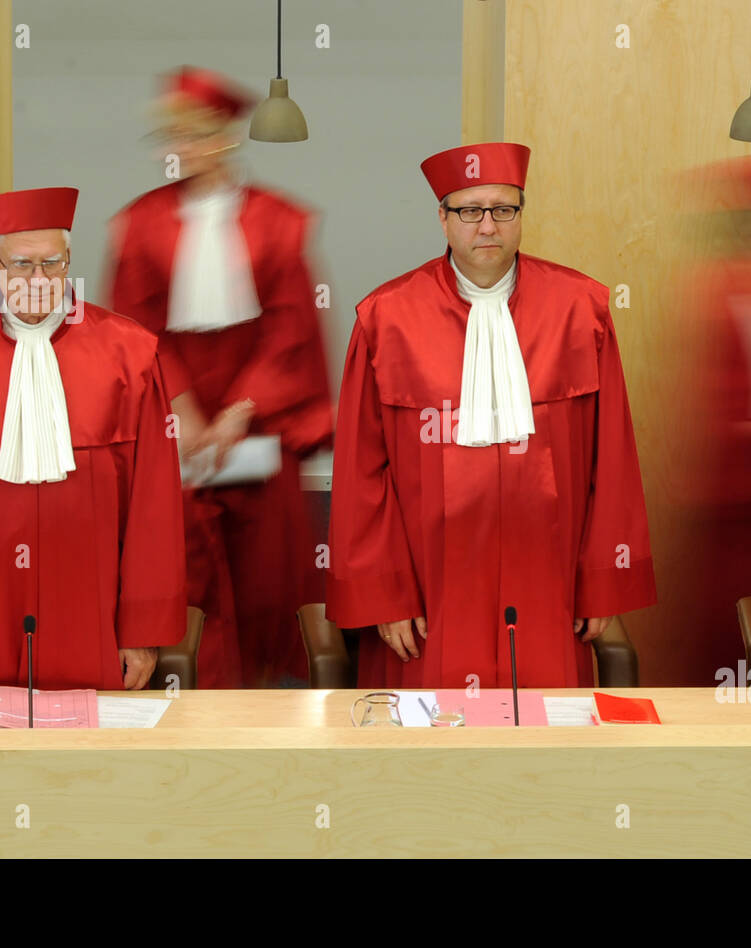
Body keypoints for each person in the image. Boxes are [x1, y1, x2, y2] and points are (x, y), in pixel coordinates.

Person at [327, 142, 656, 688]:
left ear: (521, 215)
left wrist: (603, 582)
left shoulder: (581, 309)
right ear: (443, 217)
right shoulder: (387, 318)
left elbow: (612, 455)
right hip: (429, 590)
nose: (487, 227)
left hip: (549, 579)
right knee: (431, 747)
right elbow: (362, 471)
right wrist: (384, 593)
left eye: (504, 210)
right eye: (469, 210)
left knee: (545, 743)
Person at [0, 187, 186, 692]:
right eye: (22, 265)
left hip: (93, 609)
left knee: (92, 763)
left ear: (70, 259)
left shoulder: (130, 354)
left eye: (52, 263)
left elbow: (153, 507)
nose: (38, 281)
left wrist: (141, 627)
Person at [107, 67, 332, 688]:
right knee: (183, 580)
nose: (178, 149)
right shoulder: (139, 224)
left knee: (266, 581)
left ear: (225, 139)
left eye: (192, 135)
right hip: (173, 429)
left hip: (261, 426)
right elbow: (135, 328)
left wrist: (239, 412)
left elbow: (292, 329)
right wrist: (184, 413)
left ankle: (267, 712)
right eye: (170, 136)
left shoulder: (280, 222)